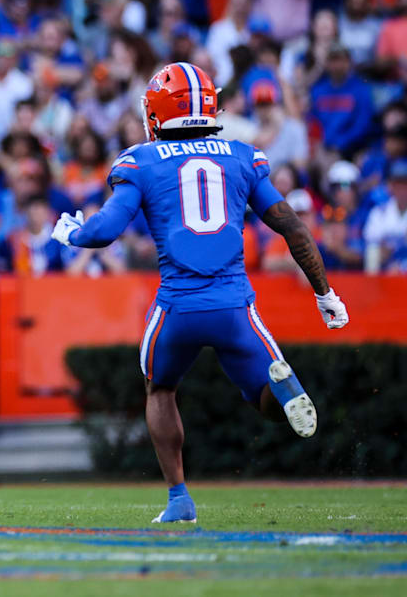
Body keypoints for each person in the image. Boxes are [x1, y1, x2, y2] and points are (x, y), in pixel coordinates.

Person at [51, 62, 350, 524]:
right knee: (267, 403)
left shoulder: (141, 161)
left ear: (157, 112)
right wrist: (325, 294)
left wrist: (72, 233)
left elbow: (104, 232)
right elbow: (292, 227)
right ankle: (284, 388)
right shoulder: (242, 155)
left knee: (160, 388)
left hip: (178, 307)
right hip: (236, 305)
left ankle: (179, 498)